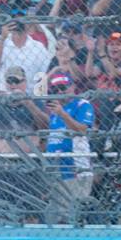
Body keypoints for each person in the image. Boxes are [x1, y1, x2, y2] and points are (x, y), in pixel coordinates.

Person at [21, 70, 94, 223]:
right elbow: (51, 129)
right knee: (57, 216)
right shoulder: (55, 110)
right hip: (57, 168)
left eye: (63, 87)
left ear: (72, 87)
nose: (60, 92)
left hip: (75, 167)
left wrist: (62, 114)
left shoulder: (82, 104)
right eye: (56, 89)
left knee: (73, 214)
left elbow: (82, 130)